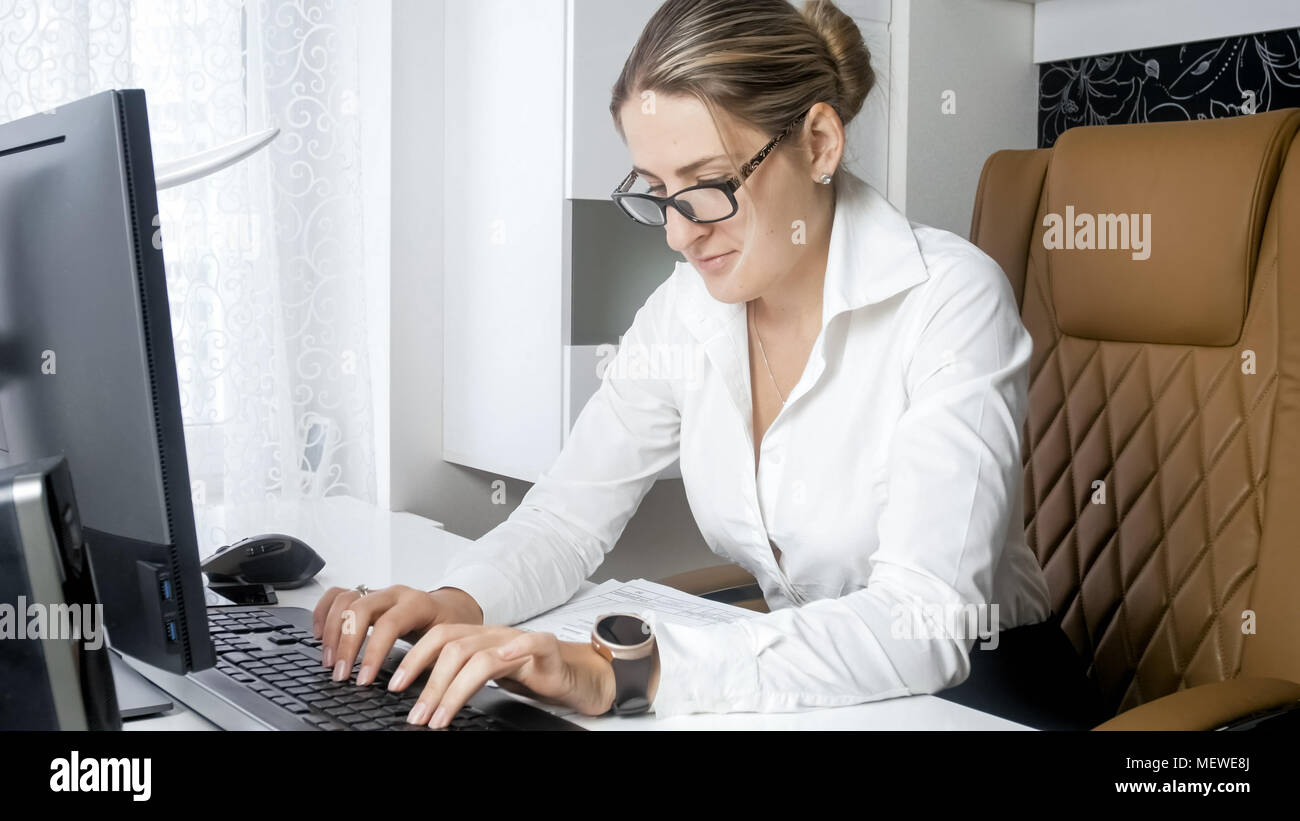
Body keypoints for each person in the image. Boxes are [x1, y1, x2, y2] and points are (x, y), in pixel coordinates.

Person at [311, 0, 1105, 730]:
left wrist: (622, 671)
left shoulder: (948, 300)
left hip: (980, 695)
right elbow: (565, 517)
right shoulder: (688, 307)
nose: (678, 234)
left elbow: (920, 621)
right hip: (818, 690)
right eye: (656, 192)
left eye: (708, 185)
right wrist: (455, 600)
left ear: (819, 143)